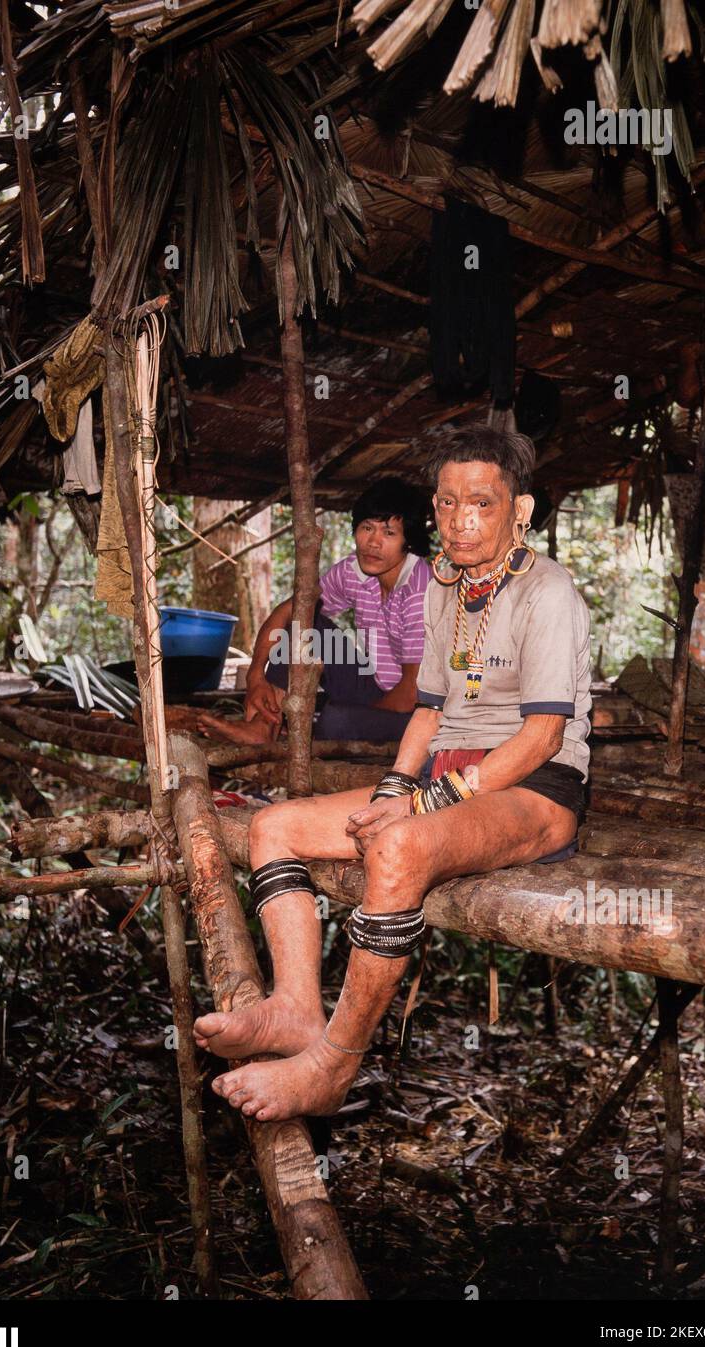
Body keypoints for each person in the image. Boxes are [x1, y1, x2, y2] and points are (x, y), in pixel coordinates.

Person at [195, 425, 592, 1121]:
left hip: (535, 788)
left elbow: (542, 735)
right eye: (446, 503)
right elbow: (427, 714)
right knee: (273, 825)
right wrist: (395, 789)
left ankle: (333, 1065)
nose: (460, 520)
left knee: (399, 847)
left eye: (482, 503)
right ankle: (293, 1007)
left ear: (519, 511)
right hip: (443, 777)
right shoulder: (443, 586)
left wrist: (426, 804)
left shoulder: (548, 591)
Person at [196, 477, 432, 745]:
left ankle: (333, 726)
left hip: (418, 712)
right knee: (304, 621)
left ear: (409, 541)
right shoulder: (355, 571)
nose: (373, 542)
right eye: (367, 528)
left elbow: (412, 692)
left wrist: (359, 718)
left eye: (389, 533)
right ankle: (263, 727)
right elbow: (288, 612)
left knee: (334, 720)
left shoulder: (419, 590)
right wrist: (255, 675)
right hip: (375, 688)